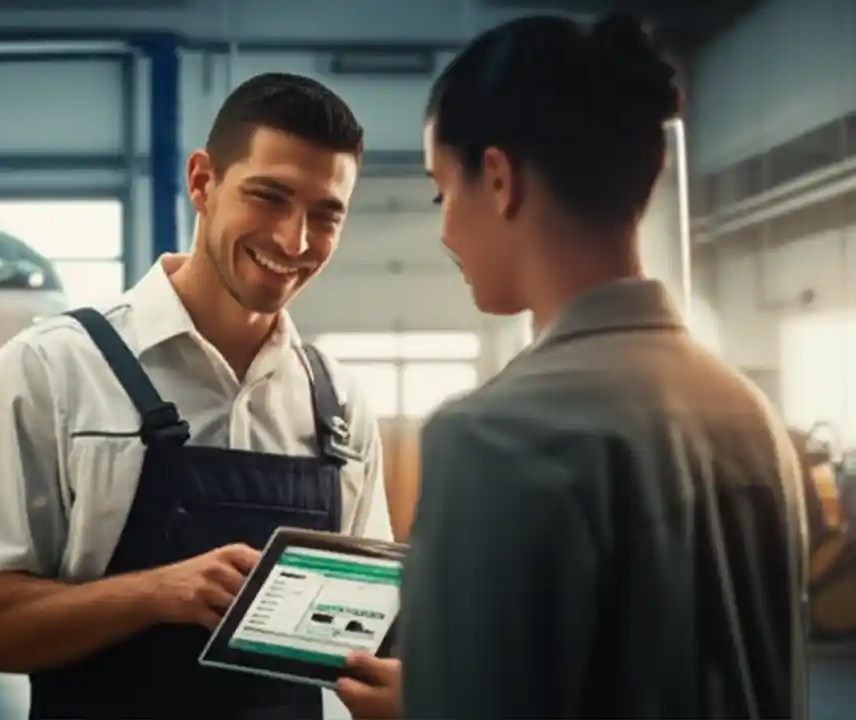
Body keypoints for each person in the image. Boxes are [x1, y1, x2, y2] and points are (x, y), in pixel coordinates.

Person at [335, 12, 810, 720]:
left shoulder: (497, 434)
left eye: (442, 191)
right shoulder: (747, 413)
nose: (441, 228)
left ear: (498, 178)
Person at [0, 72, 394, 720]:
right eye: (269, 197)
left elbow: (370, 640)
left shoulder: (337, 404)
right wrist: (156, 593)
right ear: (203, 182)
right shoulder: (53, 369)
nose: (295, 240)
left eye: (324, 215)